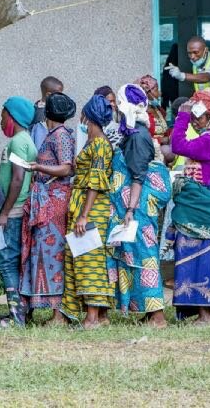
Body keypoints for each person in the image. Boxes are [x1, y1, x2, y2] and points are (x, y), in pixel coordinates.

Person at [108, 84, 172, 327]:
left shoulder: (137, 137)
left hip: (139, 208)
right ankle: (148, 310)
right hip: (138, 206)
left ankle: (157, 316)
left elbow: (138, 177)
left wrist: (130, 210)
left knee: (144, 257)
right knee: (138, 256)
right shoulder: (138, 133)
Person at [166, 90, 210, 325]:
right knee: (195, 257)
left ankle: (205, 314)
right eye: (192, 115)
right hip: (200, 205)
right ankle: (202, 312)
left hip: (203, 207)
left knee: (202, 258)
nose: (193, 119)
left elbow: (178, 144)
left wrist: (181, 117)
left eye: (197, 116)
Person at [21, 92, 76, 325]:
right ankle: (46, 306)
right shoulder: (53, 134)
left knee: (53, 255)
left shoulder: (61, 135)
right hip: (47, 200)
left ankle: (58, 314)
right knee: (44, 252)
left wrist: (37, 167)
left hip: (55, 202)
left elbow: (66, 168)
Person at [61, 94, 116, 328]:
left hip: (92, 207)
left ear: (88, 115)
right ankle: (98, 315)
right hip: (82, 202)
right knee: (80, 256)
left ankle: (92, 317)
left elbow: (95, 181)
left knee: (90, 259)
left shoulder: (101, 144)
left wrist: (84, 215)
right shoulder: (91, 140)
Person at [0, 96, 38, 327]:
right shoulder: (20, 140)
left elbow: (18, 178)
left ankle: (16, 316)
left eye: (2, 116)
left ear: (12, 116)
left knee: (7, 262)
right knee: (13, 261)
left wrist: (4, 212)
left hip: (14, 212)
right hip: (13, 210)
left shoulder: (19, 141)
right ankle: (18, 312)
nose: (0, 121)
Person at [30, 76, 64, 149]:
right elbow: (39, 142)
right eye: (59, 95)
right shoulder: (44, 115)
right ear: (48, 95)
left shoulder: (37, 106)